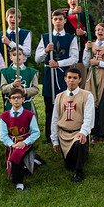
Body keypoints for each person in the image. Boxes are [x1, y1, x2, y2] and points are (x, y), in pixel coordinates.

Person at [35, 9, 80, 145]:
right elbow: (37, 58)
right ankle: (49, 136)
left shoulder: (71, 38)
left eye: (61, 19)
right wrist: (46, 51)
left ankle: (65, 133)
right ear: (52, 21)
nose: (58, 22)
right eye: (55, 19)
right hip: (49, 75)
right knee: (49, 106)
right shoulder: (45, 38)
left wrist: (59, 63)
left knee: (65, 106)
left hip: (64, 76)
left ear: (65, 20)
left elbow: (74, 58)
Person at [50, 65, 94, 182]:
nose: (72, 80)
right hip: (63, 135)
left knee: (80, 143)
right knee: (69, 166)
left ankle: (79, 173)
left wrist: (83, 132)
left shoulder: (87, 96)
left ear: (80, 80)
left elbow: (89, 118)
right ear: (65, 79)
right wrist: (54, 140)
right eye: (69, 77)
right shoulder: (59, 97)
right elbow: (55, 119)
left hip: (77, 133)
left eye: (75, 78)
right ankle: (79, 158)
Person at [0, 88, 41, 191]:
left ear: (23, 99)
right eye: (13, 98)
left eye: (18, 98)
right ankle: (34, 162)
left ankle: (19, 182)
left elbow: (36, 132)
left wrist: (24, 143)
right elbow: (3, 135)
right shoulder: (4, 116)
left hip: (25, 143)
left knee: (17, 154)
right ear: (9, 100)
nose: (16, 100)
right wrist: (12, 144)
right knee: (17, 154)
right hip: (12, 143)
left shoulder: (29, 115)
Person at [82, 22, 104, 142]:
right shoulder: (90, 46)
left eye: (103, 29)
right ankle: (93, 132)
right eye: (98, 30)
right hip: (91, 76)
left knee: (103, 105)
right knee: (91, 104)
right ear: (95, 32)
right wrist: (87, 50)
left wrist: (99, 63)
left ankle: (102, 133)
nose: (100, 31)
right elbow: (86, 63)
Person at [0, 47, 40, 113]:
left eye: (20, 54)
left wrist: (24, 90)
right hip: (11, 106)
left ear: (24, 56)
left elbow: (36, 89)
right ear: (11, 58)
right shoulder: (5, 72)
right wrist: (12, 85)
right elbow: (3, 89)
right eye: (14, 55)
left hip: (26, 105)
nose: (17, 56)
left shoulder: (31, 72)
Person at [0, 7, 32, 72]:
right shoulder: (0, 35)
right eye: (11, 17)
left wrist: (10, 43)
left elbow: (27, 52)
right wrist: (4, 70)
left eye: (15, 17)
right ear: (6, 19)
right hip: (5, 68)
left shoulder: (26, 34)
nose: (13, 19)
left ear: (19, 19)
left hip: (21, 68)